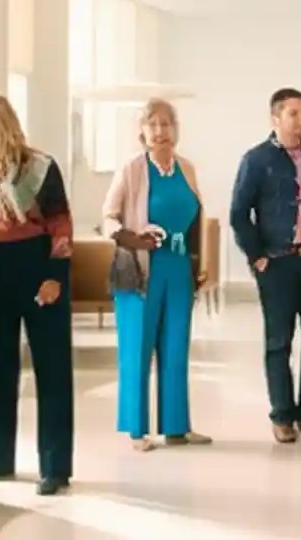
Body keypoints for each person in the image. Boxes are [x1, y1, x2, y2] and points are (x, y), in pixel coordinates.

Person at [0, 94, 74, 496]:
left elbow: (60, 223)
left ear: (3, 125)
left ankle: (55, 466)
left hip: (38, 267)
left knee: (51, 366)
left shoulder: (40, 167)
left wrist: (55, 275)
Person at [103, 98, 211, 452]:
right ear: (142, 132)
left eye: (166, 124)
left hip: (179, 267)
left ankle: (177, 426)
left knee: (176, 346)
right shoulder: (132, 170)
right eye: (153, 124)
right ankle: (137, 430)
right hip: (140, 270)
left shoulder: (187, 168)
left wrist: (202, 262)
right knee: (138, 347)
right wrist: (131, 237)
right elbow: (108, 217)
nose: (160, 131)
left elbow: (197, 216)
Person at [230, 88, 301, 444]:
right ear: (275, 118)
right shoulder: (256, 160)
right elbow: (238, 213)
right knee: (279, 341)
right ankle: (282, 415)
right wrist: (257, 256)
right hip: (277, 263)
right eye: (294, 114)